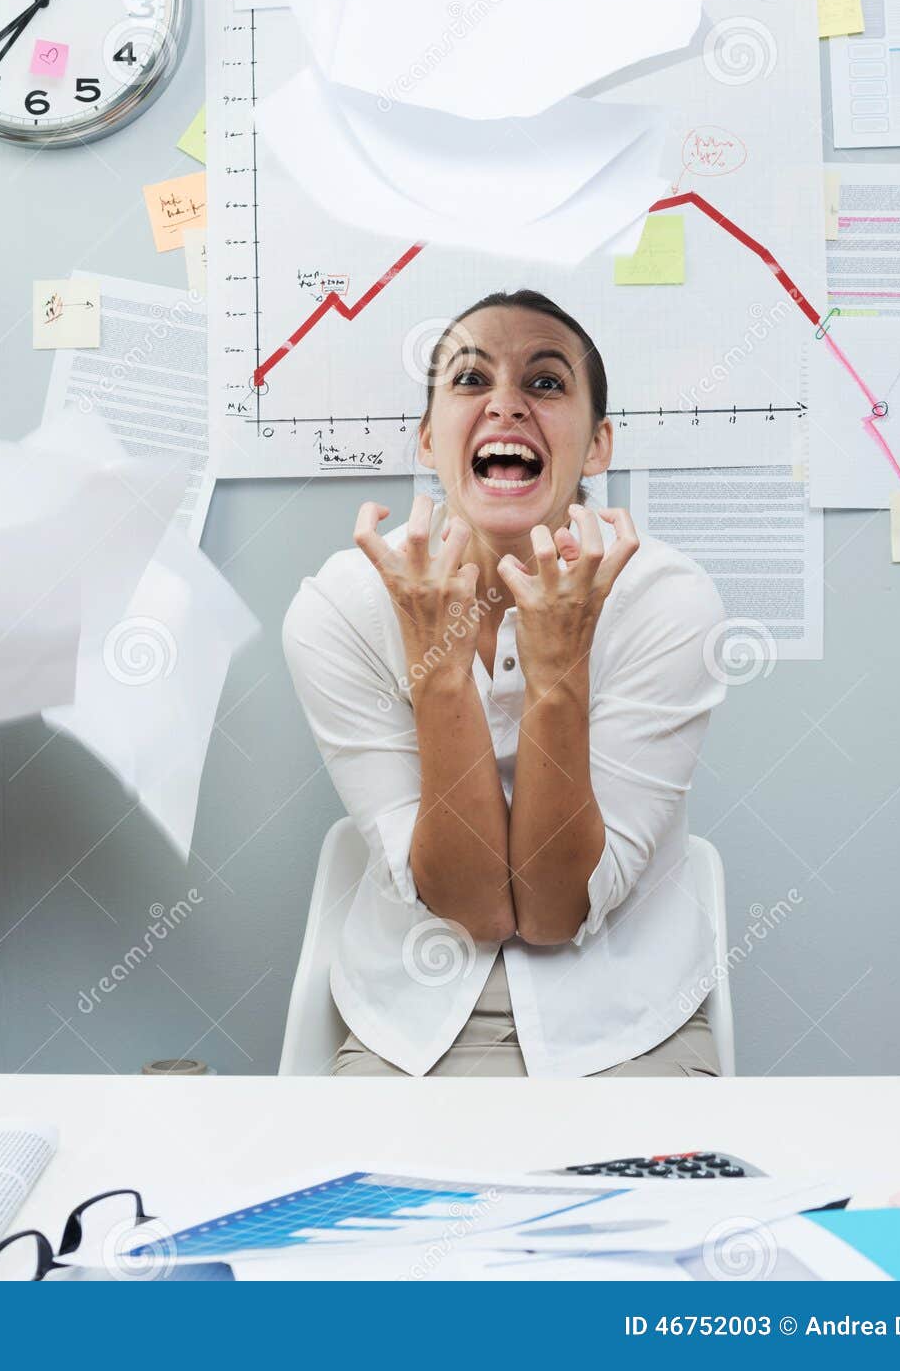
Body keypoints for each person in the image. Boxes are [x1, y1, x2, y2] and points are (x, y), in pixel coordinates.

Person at [281, 290, 729, 1077]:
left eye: (546, 384)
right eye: (468, 381)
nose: (506, 406)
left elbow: (555, 912)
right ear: (428, 439)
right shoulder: (339, 608)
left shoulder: (669, 602)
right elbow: (475, 907)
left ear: (596, 446)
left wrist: (559, 673)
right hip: (411, 1020)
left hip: (627, 1020)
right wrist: (439, 669)